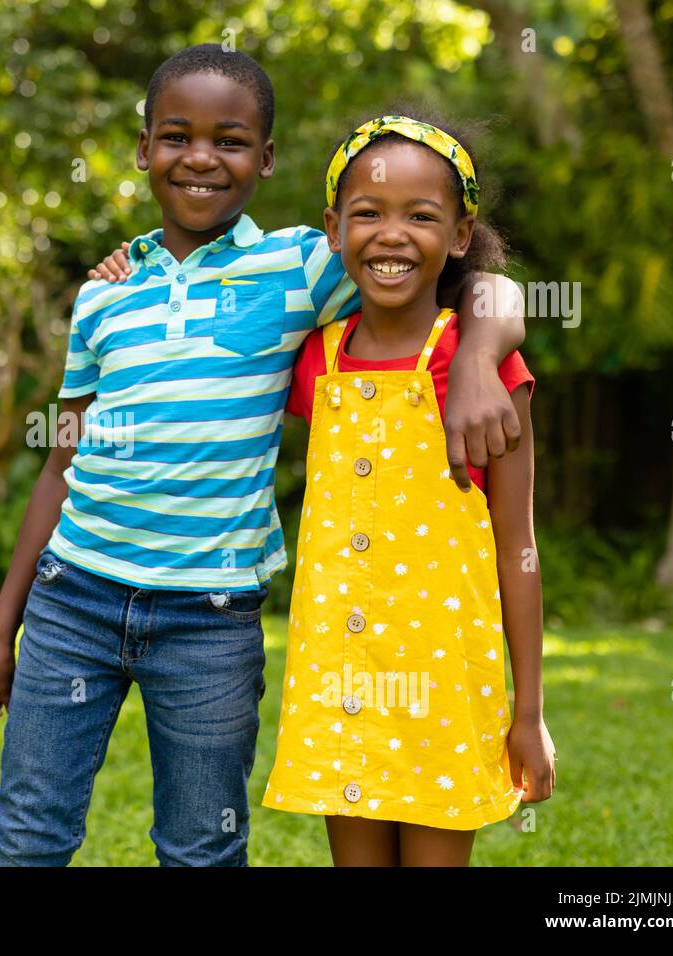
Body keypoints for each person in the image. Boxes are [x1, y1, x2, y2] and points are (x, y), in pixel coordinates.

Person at [0, 44, 526, 867]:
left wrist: (477, 359)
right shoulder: (104, 294)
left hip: (210, 621)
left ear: (264, 160)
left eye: (228, 140)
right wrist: (0, 631)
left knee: (201, 849)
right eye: (175, 136)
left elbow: (483, 283)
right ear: (145, 149)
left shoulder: (303, 265)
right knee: (27, 838)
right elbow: (60, 464)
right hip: (71, 600)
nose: (199, 157)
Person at [259, 111, 556, 866]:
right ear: (333, 228)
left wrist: (530, 714)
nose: (392, 235)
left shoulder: (482, 369)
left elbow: (518, 544)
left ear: (460, 236)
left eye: (421, 217)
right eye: (368, 214)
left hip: (442, 690)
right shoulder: (311, 358)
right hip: (341, 685)